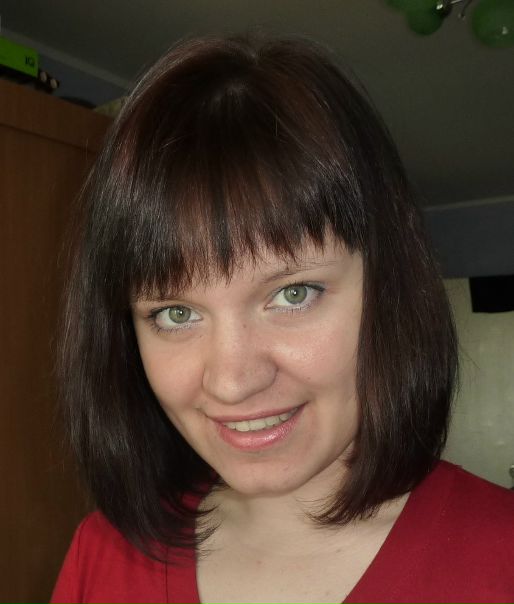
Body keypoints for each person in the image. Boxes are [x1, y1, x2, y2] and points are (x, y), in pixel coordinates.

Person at [51, 35, 514, 604]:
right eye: (176, 313)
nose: (232, 381)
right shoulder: (103, 553)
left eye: (293, 294)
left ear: (390, 292)